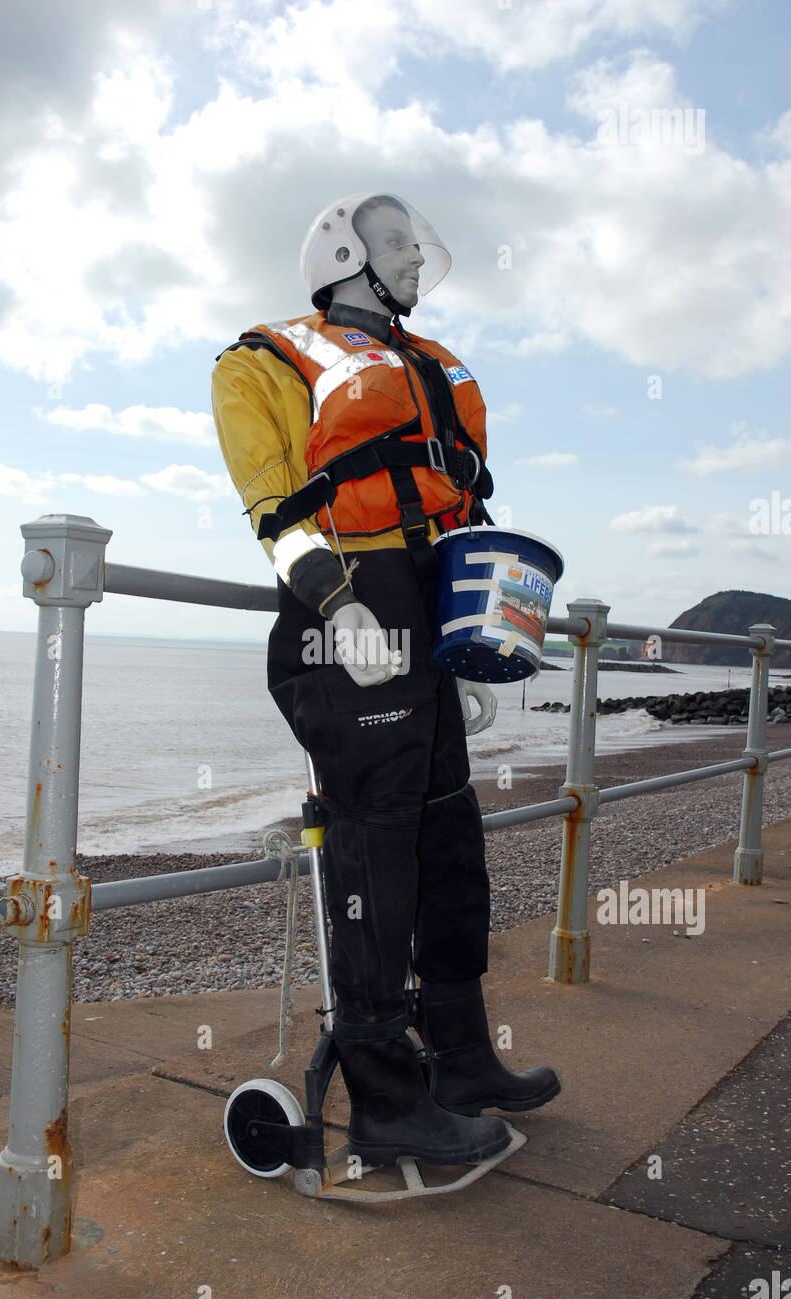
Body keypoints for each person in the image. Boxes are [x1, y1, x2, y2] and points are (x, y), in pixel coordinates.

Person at [212, 192, 559, 1170]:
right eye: (400, 246)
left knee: (447, 828)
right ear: (343, 254)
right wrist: (336, 599)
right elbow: (273, 504)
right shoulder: (266, 359)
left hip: (426, 606)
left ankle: (460, 1056)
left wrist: (477, 633)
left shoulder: (427, 365)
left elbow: (457, 501)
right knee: (372, 846)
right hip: (349, 607)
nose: (416, 262)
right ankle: (385, 1099)